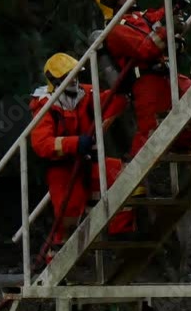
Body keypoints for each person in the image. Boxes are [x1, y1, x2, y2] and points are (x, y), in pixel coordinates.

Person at [94, 0, 191, 158]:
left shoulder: (141, 16)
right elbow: (146, 49)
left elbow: (159, 16)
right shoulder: (115, 30)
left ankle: (180, 143)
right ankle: (131, 180)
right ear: (111, 2)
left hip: (168, 76)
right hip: (146, 84)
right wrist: (168, 29)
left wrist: (174, 4)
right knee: (149, 135)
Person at [29, 52, 138, 262]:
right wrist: (75, 143)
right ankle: (54, 261)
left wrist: (123, 87)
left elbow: (109, 102)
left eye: (76, 75)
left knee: (123, 174)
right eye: (70, 76)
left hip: (89, 162)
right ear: (55, 81)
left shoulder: (85, 94)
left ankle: (120, 231)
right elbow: (42, 144)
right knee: (68, 216)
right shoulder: (44, 105)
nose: (75, 80)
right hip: (63, 169)